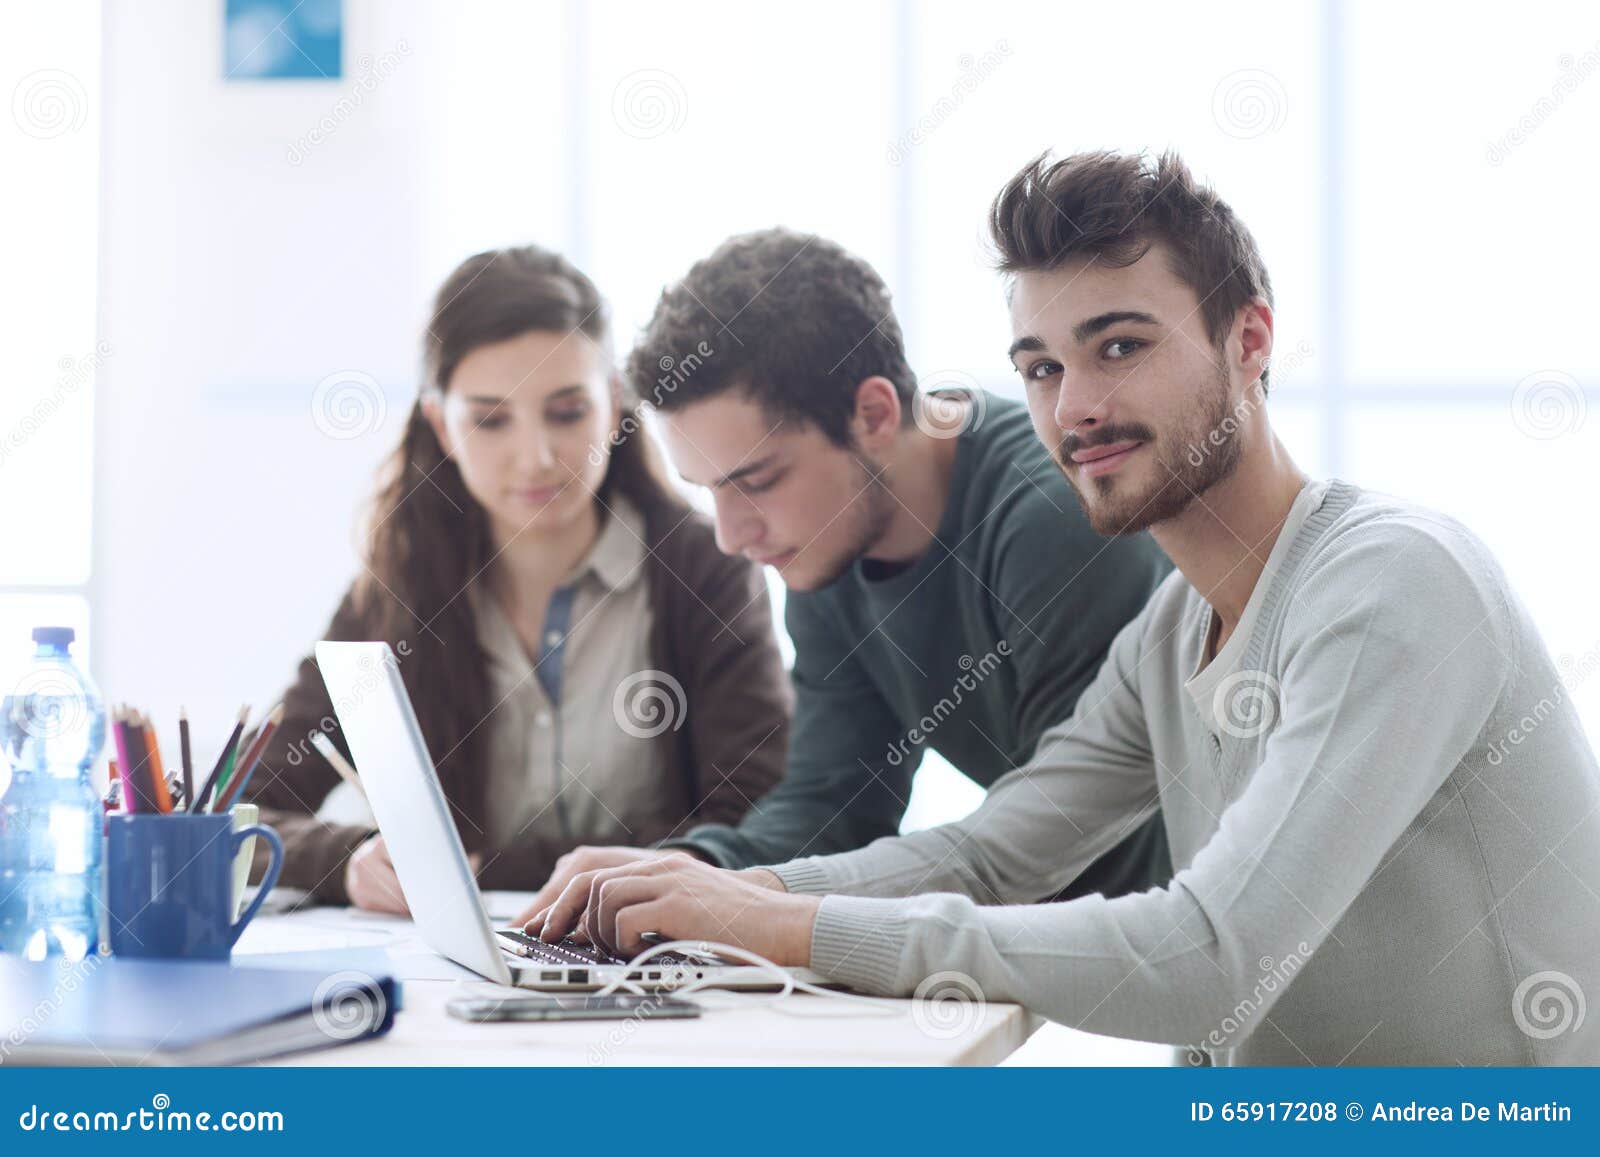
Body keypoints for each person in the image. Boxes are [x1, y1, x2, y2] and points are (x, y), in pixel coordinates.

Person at [526, 152, 1600, 1066]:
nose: (1073, 406)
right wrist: (728, 891)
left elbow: (1212, 949)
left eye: (1119, 346)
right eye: (1039, 366)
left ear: (1250, 339)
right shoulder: (1171, 630)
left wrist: (794, 922)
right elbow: (993, 852)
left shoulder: (1390, 581)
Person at [515, 228, 1173, 927]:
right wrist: (689, 871)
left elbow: (1056, 850)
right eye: (709, 492)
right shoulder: (828, 546)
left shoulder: (1054, 519)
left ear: (875, 414)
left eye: (757, 481)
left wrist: (761, 904)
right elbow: (834, 806)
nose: (733, 536)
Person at [246, 245, 789, 911]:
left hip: (651, 959)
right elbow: (240, 810)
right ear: (442, 426)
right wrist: (345, 859)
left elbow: (758, 822)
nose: (534, 458)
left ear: (614, 405)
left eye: (566, 412)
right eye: (490, 420)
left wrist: (483, 868)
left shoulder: (707, 569)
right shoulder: (397, 585)